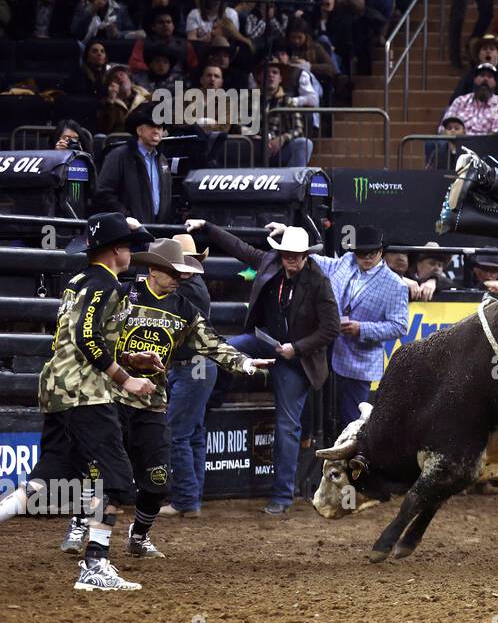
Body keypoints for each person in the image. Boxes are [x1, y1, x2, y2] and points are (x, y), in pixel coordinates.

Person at [0, 213, 155, 590]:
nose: (133, 254)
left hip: (56, 387)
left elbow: (79, 336)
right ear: (117, 249)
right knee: (118, 481)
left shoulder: (78, 281)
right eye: (130, 247)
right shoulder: (107, 284)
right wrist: (128, 379)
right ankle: (95, 566)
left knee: (48, 475)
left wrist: (132, 359)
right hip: (84, 392)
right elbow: (88, 338)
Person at [113, 239, 273, 553]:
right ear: (153, 270)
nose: (178, 277)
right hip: (113, 394)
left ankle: (143, 531)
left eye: (180, 271)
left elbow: (211, 342)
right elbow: (96, 340)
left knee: (162, 467)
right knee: (108, 471)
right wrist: (127, 359)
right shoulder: (122, 295)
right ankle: (84, 529)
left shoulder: (184, 304)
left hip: (158, 393)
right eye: (172, 271)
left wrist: (242, 361)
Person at [185, 220, 341, 514]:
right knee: (220, 349)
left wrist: (296, 348)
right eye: (286, 255)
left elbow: (331, 328)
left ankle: (282, 497)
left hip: (297, 358)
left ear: (306, 256)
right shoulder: (271, 261)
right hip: (264, 340)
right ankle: (215, 397)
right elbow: (239, 249)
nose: (289, 260)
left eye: (295, 256)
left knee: (286, 425)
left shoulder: (319, 282)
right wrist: (208, 226)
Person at [302, 224, 409, 428]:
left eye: (372, 253)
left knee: (352, 421)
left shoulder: (396, 285)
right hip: (328, 349)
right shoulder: (346, 262)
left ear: (381, 252)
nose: (367, 257)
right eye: (361, 253)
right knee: (321, 414)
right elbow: (316, 260)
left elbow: (399, 326)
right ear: (354, 252)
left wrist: (362, 329)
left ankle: (353, 459)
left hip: (359, 360)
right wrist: (288, 233)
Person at [160, 234, 220, 518]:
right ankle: (191, 498)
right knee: (192, 433)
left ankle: (185, 499)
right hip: (197, 365)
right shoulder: (195, 286)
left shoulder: (188, 290)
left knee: (177, 433)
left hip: (192, 366)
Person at [95, 107, 172, 224]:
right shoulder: (119, 155)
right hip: (128, 231)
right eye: (151, 126)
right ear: (139, 131)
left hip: (158, 230)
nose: (156, 131)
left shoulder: (162, 160)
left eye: (160, 127)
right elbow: (103, 192)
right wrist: (125, 217)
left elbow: (166, 196)